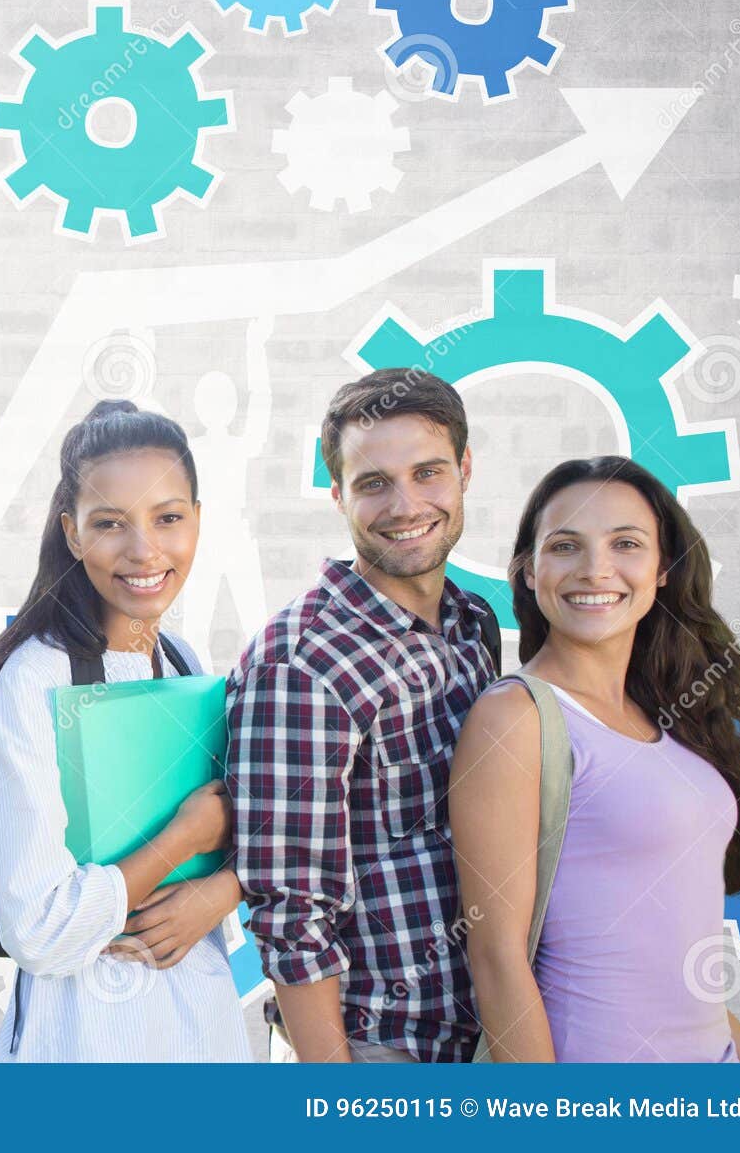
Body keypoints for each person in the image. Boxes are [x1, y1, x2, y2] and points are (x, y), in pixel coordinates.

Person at [452, 456, 740, 1062]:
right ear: (528, 572)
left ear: (663, 570)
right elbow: (497, 960)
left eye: (625, 543)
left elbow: (669, 960)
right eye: (566, 546)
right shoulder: (516, 717)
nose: (596, 569)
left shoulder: (669, 714)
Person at [228, 368, 493, 1063]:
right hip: (379, 1052)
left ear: (465, 470)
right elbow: (292, 914)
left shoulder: (473, 623)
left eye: (428, 472)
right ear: (339, 492)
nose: (405, 504)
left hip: (489, 1037)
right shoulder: (302, 661)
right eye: (374, 482)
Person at [0, 399, 248, 1062]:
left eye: (168, 518)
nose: (144, 549)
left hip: (200, 1023)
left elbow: (247, 842)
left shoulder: (183, 661)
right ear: (71, 532)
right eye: (110, 524)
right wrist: (183, 836)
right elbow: (37, 928)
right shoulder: (35, 679)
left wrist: (217, 891)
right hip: (85, 1035)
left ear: (199, 521)